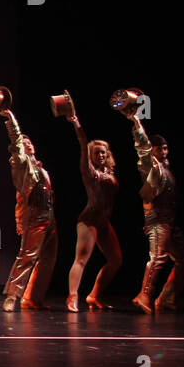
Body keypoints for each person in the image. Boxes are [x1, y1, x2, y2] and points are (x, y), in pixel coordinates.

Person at [124, 111, 184, 314]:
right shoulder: (151, 167)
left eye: (165, 148)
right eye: (159, 148)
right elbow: (142, 149)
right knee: (157, 258)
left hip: (170, 222)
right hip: (159, 220)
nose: (163, 151)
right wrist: (136, 121)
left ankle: (166, 298)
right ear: (152, 150)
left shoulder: (165, 168)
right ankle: (144, 295)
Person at [0, 107, 56, 312]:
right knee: (27, 257)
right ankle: (12, 296)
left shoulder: (41, 167)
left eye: (29, 142)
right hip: (35, 216)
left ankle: (33, 298)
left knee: (47, 259)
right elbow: (16, 145)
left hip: (49, 217)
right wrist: (11, 120)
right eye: (24, 143)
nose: (27, 144)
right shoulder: (22, 165)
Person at [63, 111, 121, 312]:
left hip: (104, 221)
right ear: (90, 155)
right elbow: (82, 142)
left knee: (116, 260)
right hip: (89, 219)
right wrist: (76, 123)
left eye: (104, 152)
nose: (101, 155)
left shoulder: (109, 172)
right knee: (81, 259)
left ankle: (94, 295)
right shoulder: (89, 171)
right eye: (97, 152)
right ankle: (72, 296)